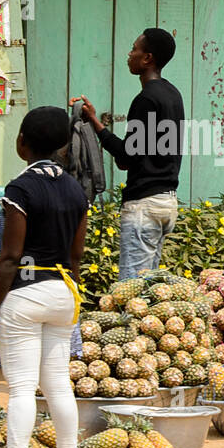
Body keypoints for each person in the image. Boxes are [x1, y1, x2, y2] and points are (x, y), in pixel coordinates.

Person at [0, 107, 88, 448]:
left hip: (25, 293)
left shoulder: (19, 188)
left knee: (22, 389)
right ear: (62, 145)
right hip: (63, 294)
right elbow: (76, 256)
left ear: (22, 142)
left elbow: (8, 258)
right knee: (57, 385)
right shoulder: (75, 189)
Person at [72, 28, 184, 279]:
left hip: (144, 206)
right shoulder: (173, 95)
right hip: (167, 203)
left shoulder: (145, 100)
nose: (129, 54)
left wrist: (95, 123)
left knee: (131, 292)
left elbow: (125, 158)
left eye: (134, 49)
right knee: (147, 292)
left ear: (147, 59)